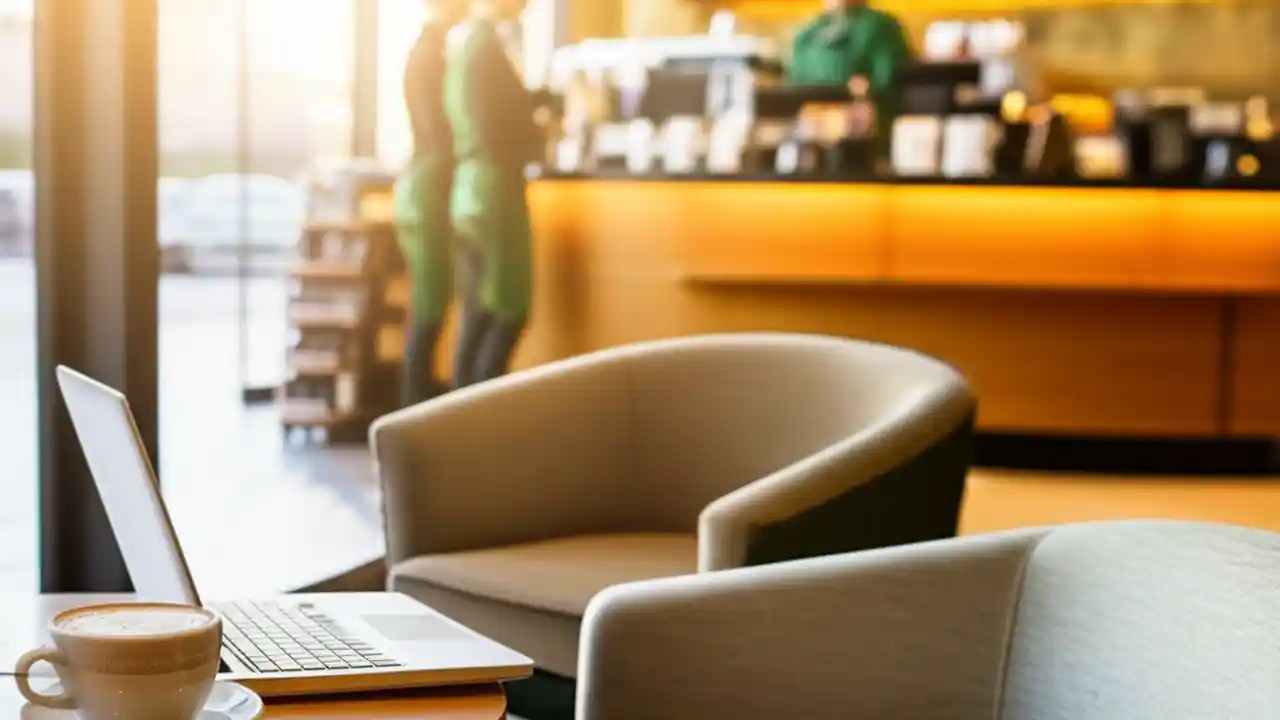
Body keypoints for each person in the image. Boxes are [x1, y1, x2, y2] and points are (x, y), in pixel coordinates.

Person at [444, 0, 537, 388]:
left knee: (478, 307)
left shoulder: (464, 42)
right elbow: (495, 123)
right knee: (509, 307)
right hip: (495, 188)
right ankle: (483, 405)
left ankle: (460, 406)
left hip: (469, 188)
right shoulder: (485, 46)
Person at [394, 0, 462, 405]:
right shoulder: (430, 56)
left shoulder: (429, 52)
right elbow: (440, 130)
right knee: (428, 308)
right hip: (428, 191)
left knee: (430, 306)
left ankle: (416, 402)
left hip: (424, 188)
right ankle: (414, 406)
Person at [788, 0, 913, 136]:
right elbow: (793, 88)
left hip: (864, 126)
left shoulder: (880, 26)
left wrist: (866, 94)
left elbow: (888, 81)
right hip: (808, 122)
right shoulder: (806, 35)